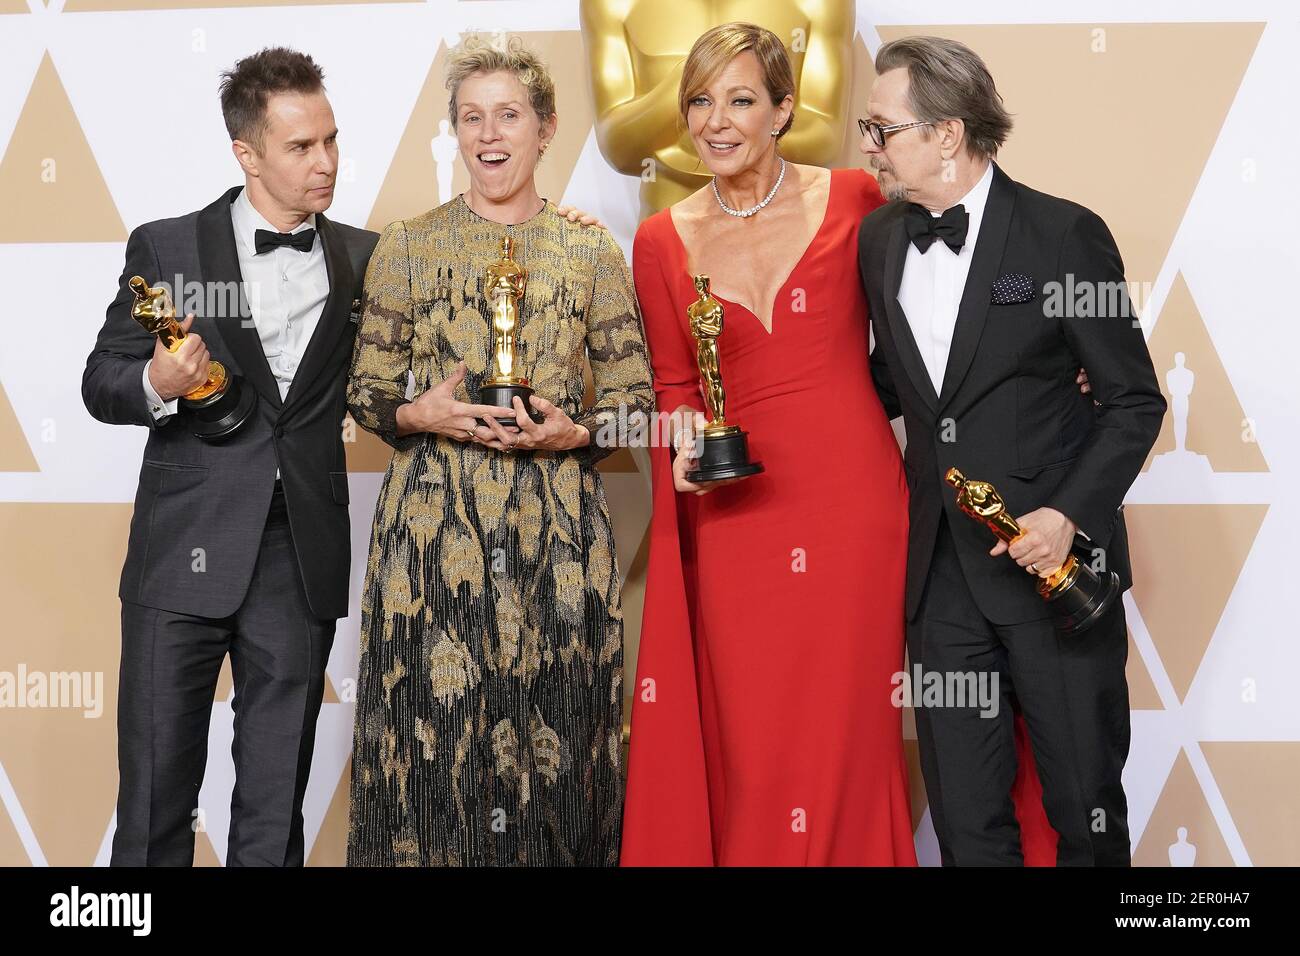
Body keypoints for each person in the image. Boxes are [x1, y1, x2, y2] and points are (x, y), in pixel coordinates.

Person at [344, 37, 654, 866]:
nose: (490, 134)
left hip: (559, 536)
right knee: (434, 745)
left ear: (544, 129)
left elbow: (635, 406)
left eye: (508, 115)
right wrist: (421, 413)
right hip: (431, 532)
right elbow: (366, 393)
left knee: (558, 732)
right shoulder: (405, 245)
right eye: (471, 117)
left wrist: (576, 433)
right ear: (453, 132)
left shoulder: (590, 252)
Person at [857, 36, 1166, 865]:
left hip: (1052, 577)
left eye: (881, 128)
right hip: (942, 580)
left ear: (947, 134)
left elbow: (1135, 400)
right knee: (966, 823)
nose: (869, 146)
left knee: (1083, 807)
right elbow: (898, 387)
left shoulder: (1066, 235)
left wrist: (1068, 516)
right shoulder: (880, 240)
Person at [82, 48, 378, 866]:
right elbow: (100, 382)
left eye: (331, 140)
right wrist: (156, 379)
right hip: (183, 548)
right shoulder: (167, 246)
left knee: (272, 812)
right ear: (247, 154)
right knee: (150, 804)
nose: (325, 163)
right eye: (299, 147)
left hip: (298, 555)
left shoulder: (367, 257)